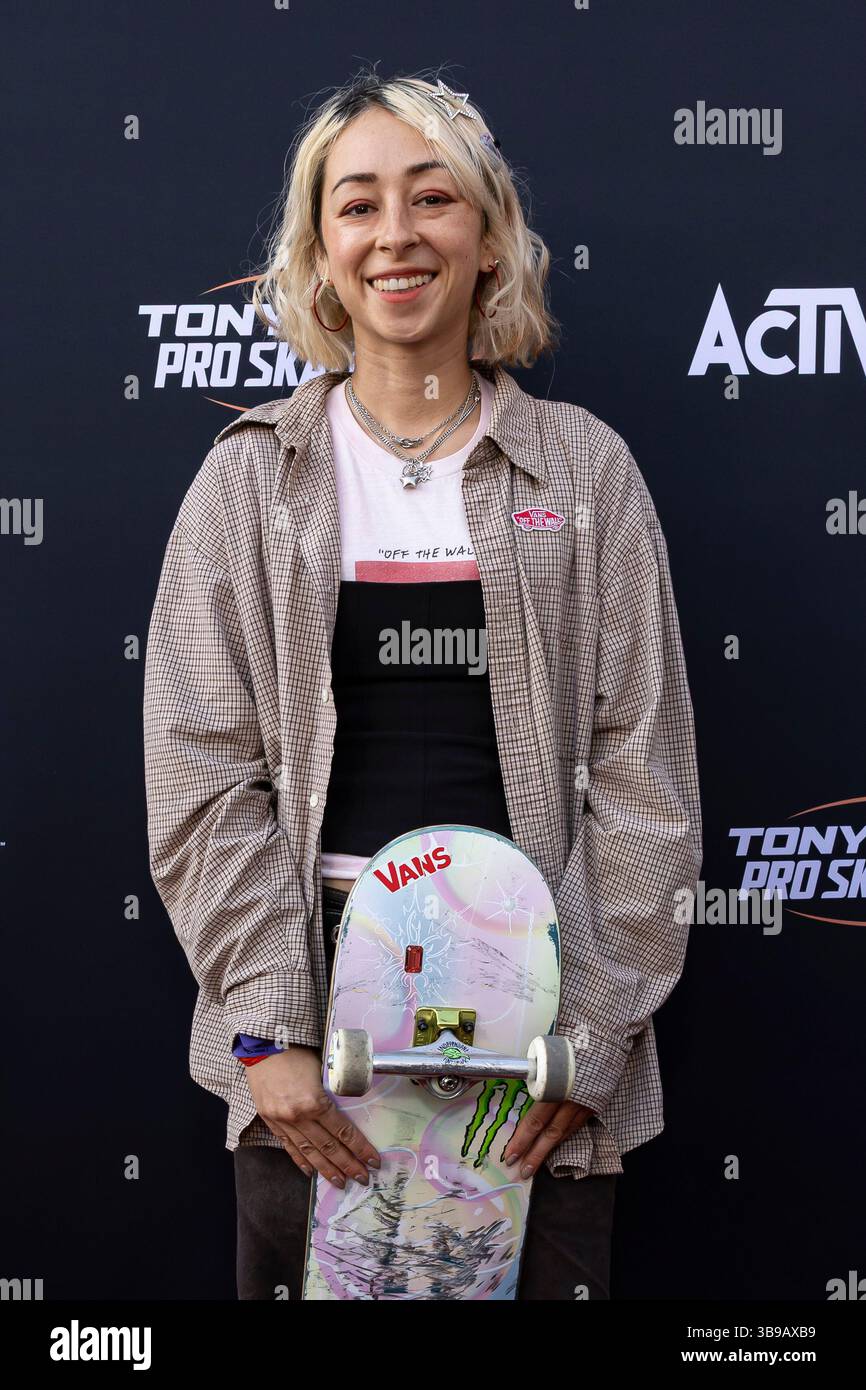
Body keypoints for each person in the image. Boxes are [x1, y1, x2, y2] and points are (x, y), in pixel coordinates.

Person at [143, 68, 702, 1301]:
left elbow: (644, 784)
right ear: (319, 249)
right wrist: (264, 1032)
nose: (394, 234)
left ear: (488, 235)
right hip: (316, 1047)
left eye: (431, 197)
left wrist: (590, 1040)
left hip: (538, 1046)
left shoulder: (585, 475)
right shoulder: (249, 484)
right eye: (356, 206)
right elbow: (201, 775)